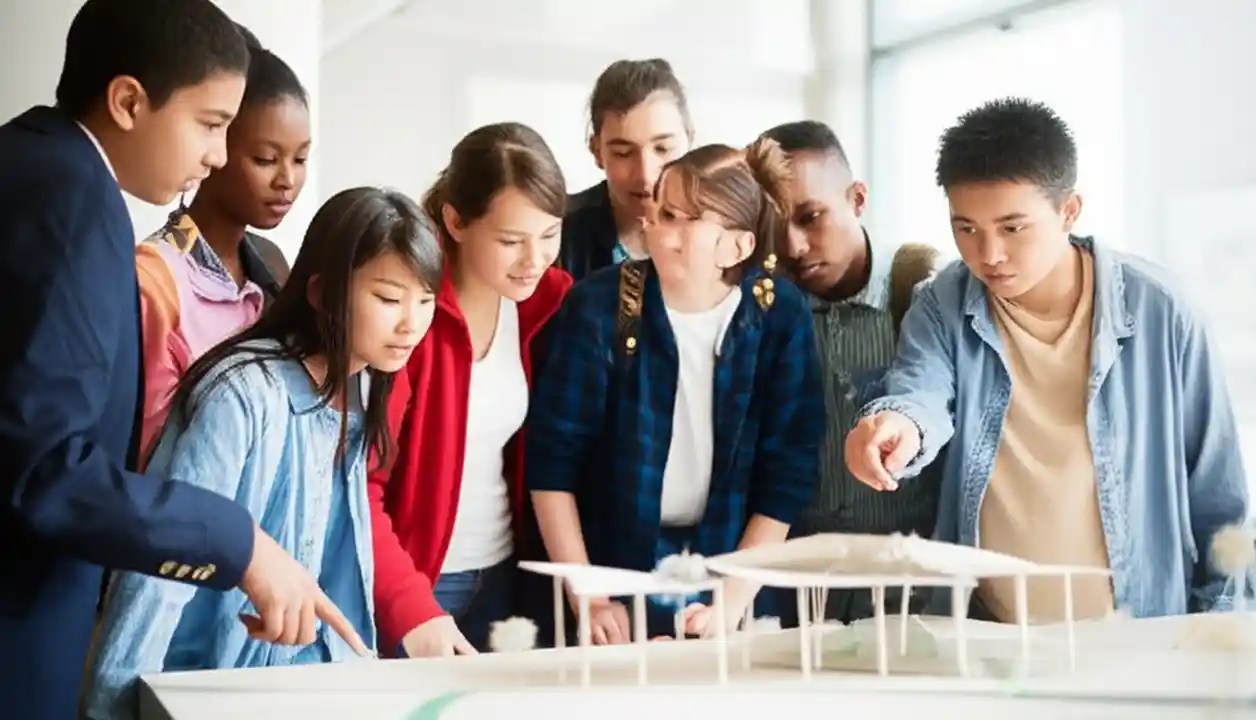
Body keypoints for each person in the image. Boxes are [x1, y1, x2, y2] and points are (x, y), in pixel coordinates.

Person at [0, 3, 355, 718]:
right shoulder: (73, 197)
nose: (217, 156)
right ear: (129, 101)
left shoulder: (35, 162)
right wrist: (241, 544)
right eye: (212, 124)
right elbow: (43, 470)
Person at [843, 98, 1256, 622]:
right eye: (965, 228)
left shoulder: (1163, 312)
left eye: (1013, 228)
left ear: (1069, 210)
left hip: (1138, 632)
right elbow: (919, 391)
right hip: (988, 634)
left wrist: (1223, 630)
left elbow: (1219, 497)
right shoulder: (942, 303)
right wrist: (896, 425)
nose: (988, 253)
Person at [84, 187, 440, 719]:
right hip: (212, 689)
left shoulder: (366, 388)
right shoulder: (244, 394)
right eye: (389, 299)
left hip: (314, 688)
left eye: (425, 300)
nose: (411, 323)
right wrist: (108, 710)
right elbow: (157, 575)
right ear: (321, 293)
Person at [526, 137, 824, 643]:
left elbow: (787, 478)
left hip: (737, 568)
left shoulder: (780, 314)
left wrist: (727, 605)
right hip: (614, 566)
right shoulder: (599, 305)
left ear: (736, 245)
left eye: (683, 219)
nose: (657, 230)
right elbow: (552, 464)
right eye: (661, 213)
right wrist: (590, 596)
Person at [369, 123, 573, 657]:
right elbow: (358, 485)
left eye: (549, 234)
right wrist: (409, 604)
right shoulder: (407, 315)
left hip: (506, 577)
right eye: (511, 241)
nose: (535, 259)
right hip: (417, 586)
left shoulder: (543, 301)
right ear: (456, 221)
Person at [756, 121, 944, 626]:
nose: (793, 246)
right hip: (796, 595)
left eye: (811, 217)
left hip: (918, 595)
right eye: (775, 226)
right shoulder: (765, 311)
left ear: (858, 198)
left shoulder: (925, 294)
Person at [136, 30, 311, 464]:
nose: (287, 180)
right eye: (266, 159)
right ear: (214, 146)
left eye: (301, 158)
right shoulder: (155, 282)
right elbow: (142, 453)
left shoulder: (272, 266)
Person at [558, 58, 694, 280]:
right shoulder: (558, 235)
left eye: (663, 149)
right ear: (597, 151)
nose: (645, 174)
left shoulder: (724, 232)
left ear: (689, 140)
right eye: (623, 153)